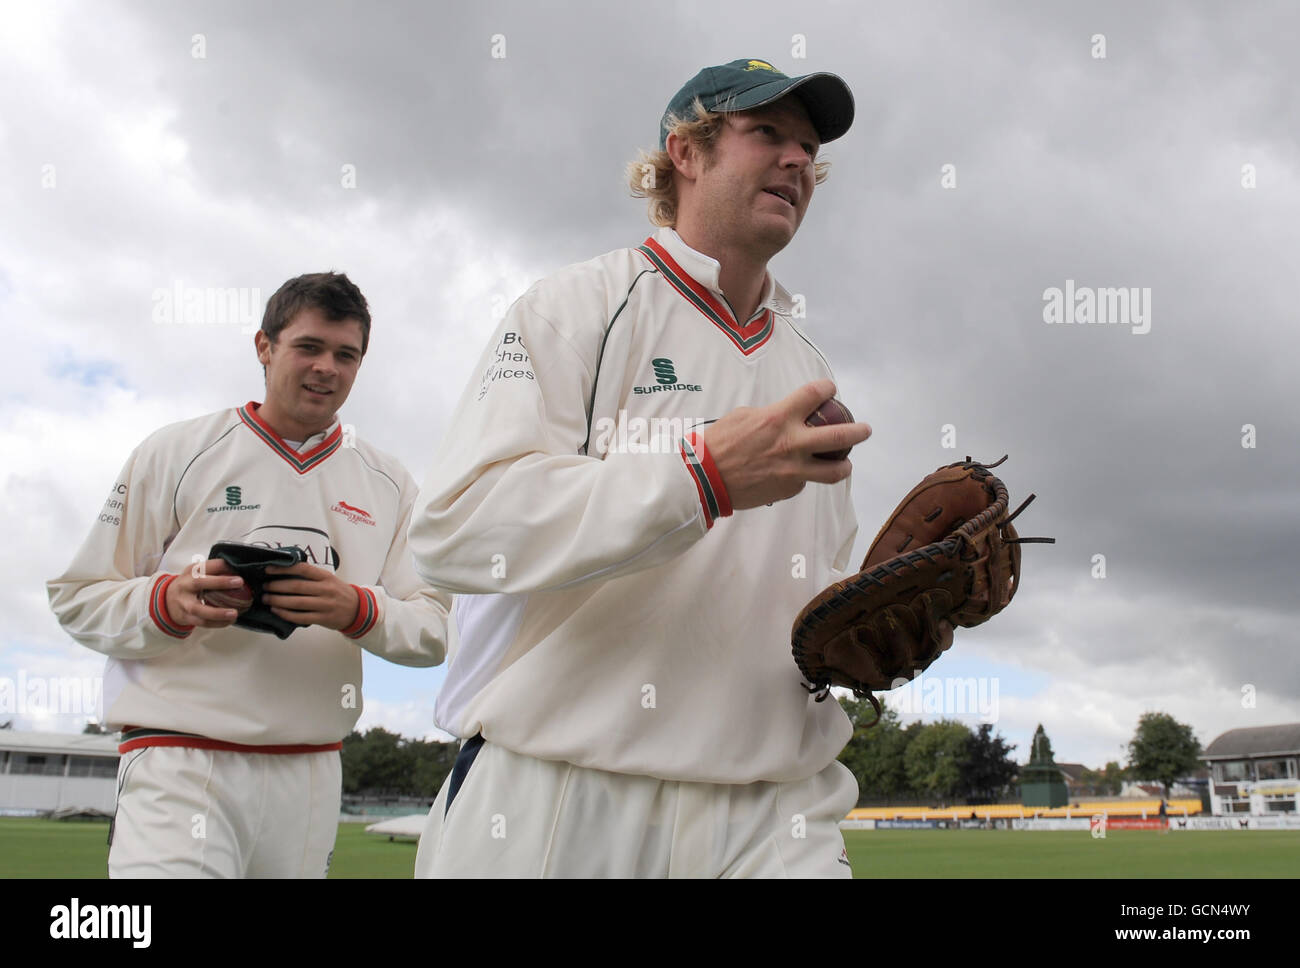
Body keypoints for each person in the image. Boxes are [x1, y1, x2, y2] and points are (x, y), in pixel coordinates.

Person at [408, 59, 869, 878]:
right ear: (684, 153)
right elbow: (457, 529)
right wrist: (697, 476)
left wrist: (873, 627)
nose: (798, 161)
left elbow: (808, 587)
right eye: (767, 133)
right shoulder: (574, 307)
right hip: (564, 793)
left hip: (776, 806)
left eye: (809, 148)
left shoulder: (810, 363)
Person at [47, 272, 450, 878]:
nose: (326, 369)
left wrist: (358, 609)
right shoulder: (175, 451)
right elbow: (78, 598)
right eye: (308, 347)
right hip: (178, 756)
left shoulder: (390, 482)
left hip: (310, 769)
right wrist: (170, 600)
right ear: (264, 347)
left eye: (346, 355)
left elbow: (436, 630)